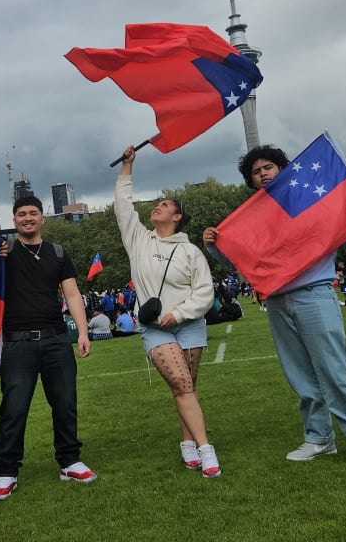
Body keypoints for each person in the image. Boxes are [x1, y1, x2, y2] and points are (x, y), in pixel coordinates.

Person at [203, 145, 346, 469]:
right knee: (302, 377)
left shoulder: (312, 201)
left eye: (269, 167)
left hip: (315, 295)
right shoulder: (253, 217)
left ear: (284, 169)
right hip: (277, 303)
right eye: (255, 171)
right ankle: (319, 438)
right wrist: (215, 247)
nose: (262, 173)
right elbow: (242, 258)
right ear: (250, 181)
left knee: (335, 371)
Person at [0, 159, 95, 502]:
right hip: (17, 344)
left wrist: (81, 332)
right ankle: (6, 471)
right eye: (21, 214)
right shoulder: (3, 249)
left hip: (55, 339)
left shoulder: (57, 252)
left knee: (65, 403)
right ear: (14, 220)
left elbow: (72, 293)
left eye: (33, 214)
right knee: (14, 408)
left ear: (41, 218)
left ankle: (70, 461)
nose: (27, 218)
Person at [115, 146, 220, 477]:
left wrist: (182, 312)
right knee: (181, 382)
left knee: (186, 386)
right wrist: (127, 168)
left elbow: (204, 290)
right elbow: (123, 207)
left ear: (176, 217)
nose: (156, 208)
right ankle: (206, 450)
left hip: (189, 325)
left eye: (164, 205)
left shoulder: (190, 251)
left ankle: (187, 443)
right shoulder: (139, 241)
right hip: (155, 327)